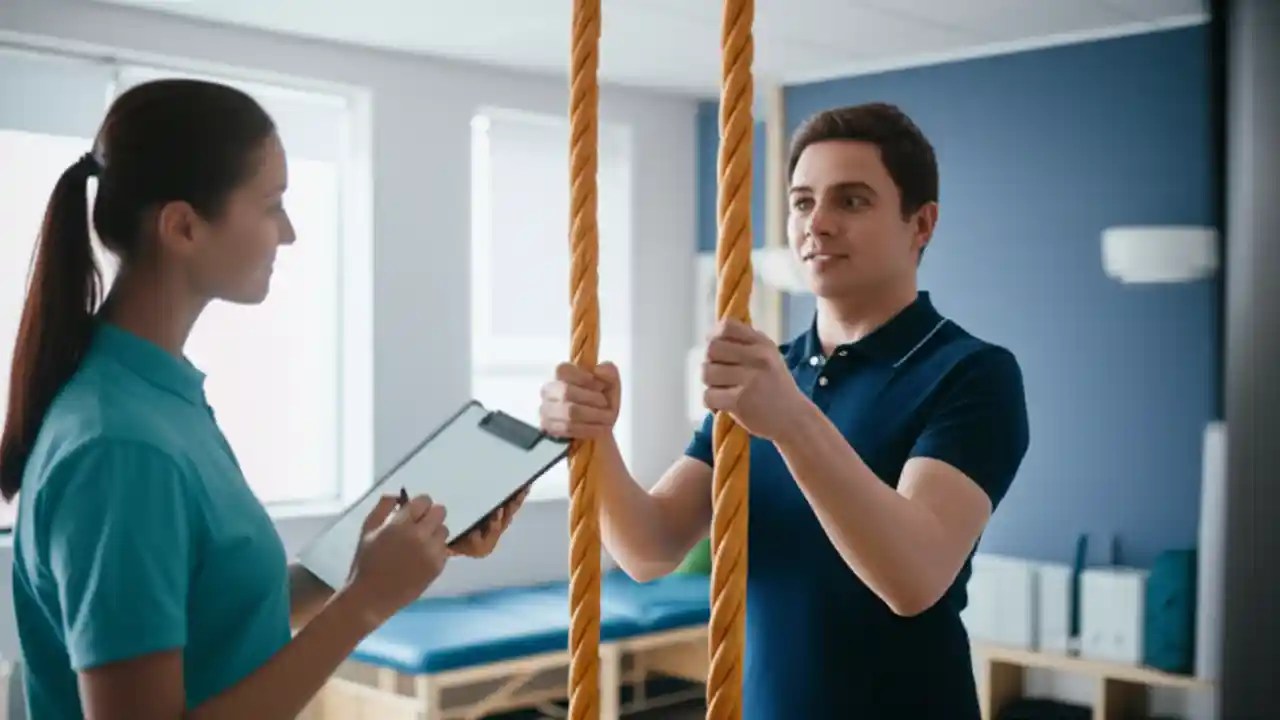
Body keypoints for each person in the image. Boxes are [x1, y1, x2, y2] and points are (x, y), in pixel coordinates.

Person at [0, 78, 525, 720]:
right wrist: (363, 604)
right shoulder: (122, 446)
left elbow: (219, 617)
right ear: (184, 226)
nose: (290, 232)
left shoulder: (159, 396)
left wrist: (364, 558)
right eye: (272, 204)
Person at [539, 102, 1030, 719]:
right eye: (802, 202)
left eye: (851, 201)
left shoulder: (970, 372)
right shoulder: (769, 372)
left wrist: (791, 421)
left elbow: (914, 577)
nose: (816, 224)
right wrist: (594, 436)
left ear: (921, 224)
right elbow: (650, 547)